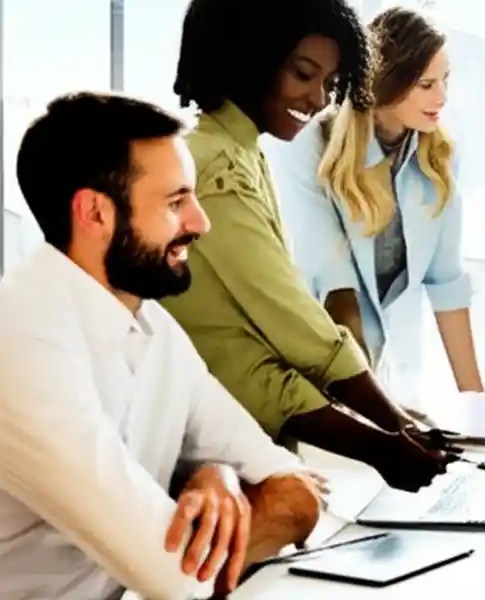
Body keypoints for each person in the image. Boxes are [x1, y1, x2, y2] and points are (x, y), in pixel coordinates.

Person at [0, 93, 322, 600]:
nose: (200, 222)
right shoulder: (19, 339)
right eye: (176, 202)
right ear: (95, 213)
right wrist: (214, 498)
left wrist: (219, 478)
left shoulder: (152, 325)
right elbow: (173, 576)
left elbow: (301, 495)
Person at [160, 0, 456, 492]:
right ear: (251, 57)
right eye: (303, 74)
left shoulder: (242, 153)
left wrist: (394, 433)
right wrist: (389, 434)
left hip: (240, 444)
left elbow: (258, 347)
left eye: (330, 83)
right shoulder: (216, 169)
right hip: (206, 466)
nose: (319, 100)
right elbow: (292, 325)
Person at [269, 6, 482, 408]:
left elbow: (446, 283)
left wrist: (479, 407)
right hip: (318, 368)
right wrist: (373, 410)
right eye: (426, 84)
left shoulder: (440, 155)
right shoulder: (309, 146)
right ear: (387, 83)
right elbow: (336, 287)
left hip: (393, 375)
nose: (442, 97)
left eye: (445, 80)